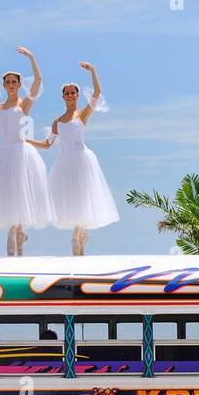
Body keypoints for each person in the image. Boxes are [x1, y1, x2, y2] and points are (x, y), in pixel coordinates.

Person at [27, 61, 118, 254]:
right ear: (62, 96)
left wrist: (93, 70)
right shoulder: (57, 122)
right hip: (64, 162)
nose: (70, 95)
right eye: (67, 93)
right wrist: (26, 140)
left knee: (83, 196)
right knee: (71, 199)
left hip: (82, 160)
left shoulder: (82, 114)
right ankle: (80, 236)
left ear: (77, 95)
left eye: (72, 92)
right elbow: (47, 144)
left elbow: (96, 94)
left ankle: (78, 234)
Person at [0, 46, 53, 255]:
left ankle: (16, 232)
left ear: (19, 84)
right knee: (7, 192)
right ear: (4, 85)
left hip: (20, 151)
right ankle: (17, 231)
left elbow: (38, 82)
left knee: (19, 191)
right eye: (8, 82)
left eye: (15, 82)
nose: (11, 85)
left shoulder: (23, 104)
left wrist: (31, 57)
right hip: (3, 151)